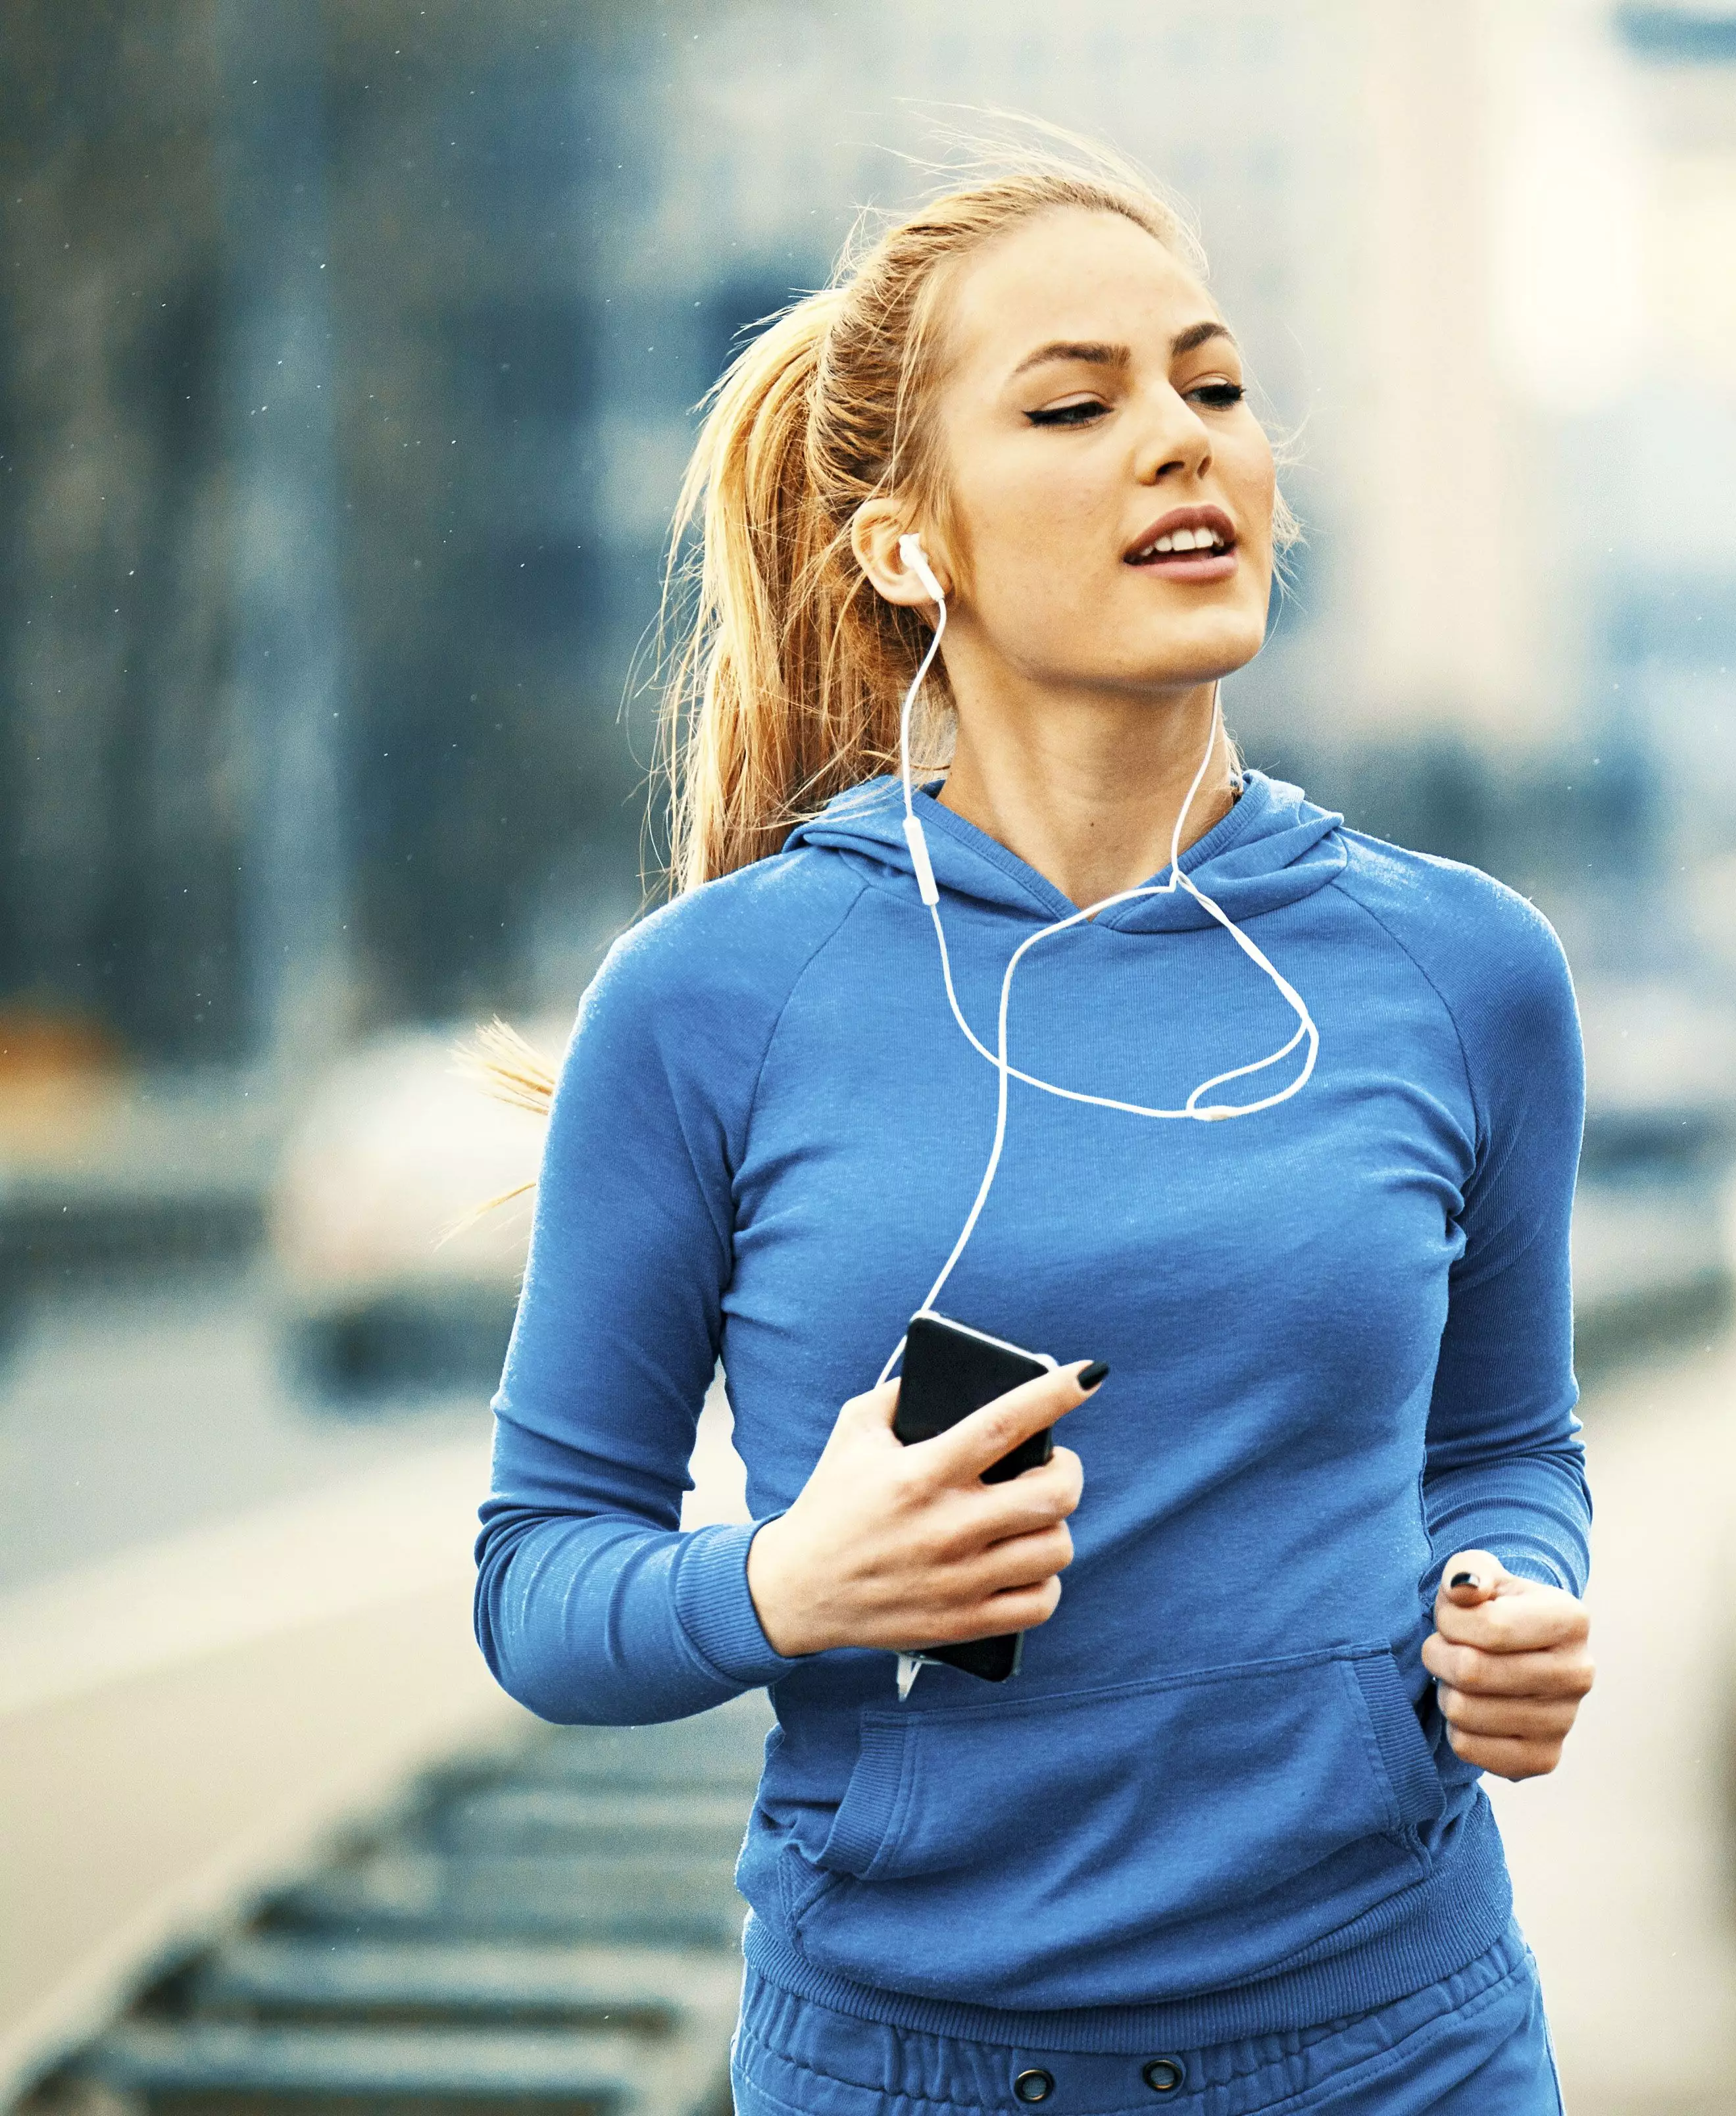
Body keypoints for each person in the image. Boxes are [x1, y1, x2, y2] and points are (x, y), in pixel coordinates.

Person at [474, 142, 1594, 2115]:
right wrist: (782, 1589)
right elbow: (539, 1582)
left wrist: (1511, 1594)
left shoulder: (1467, 970)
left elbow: (1505, 1445)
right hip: (911, 2067)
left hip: (1401, 2047)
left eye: (1215, 389)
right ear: (911, 549)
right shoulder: (710, 1000)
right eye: (1079, 406)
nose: (1180, 441)